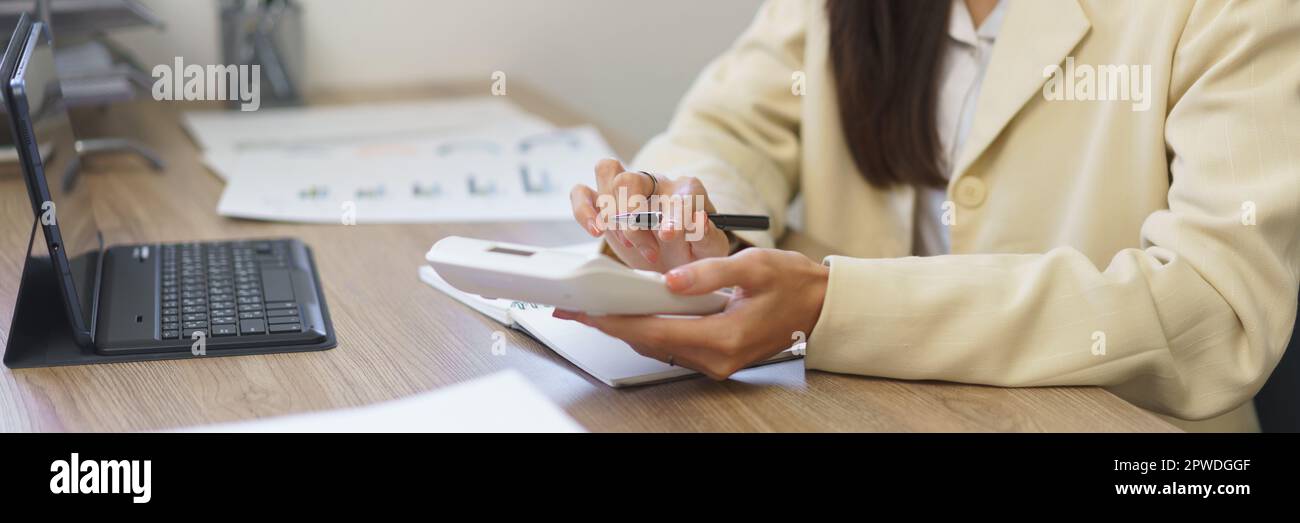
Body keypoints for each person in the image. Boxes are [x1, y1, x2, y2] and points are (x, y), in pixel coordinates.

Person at [559, 0, 1299, 431]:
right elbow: (732, 126)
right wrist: (685, 207)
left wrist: (831, 304)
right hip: (863, 412)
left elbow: (1214, 304)